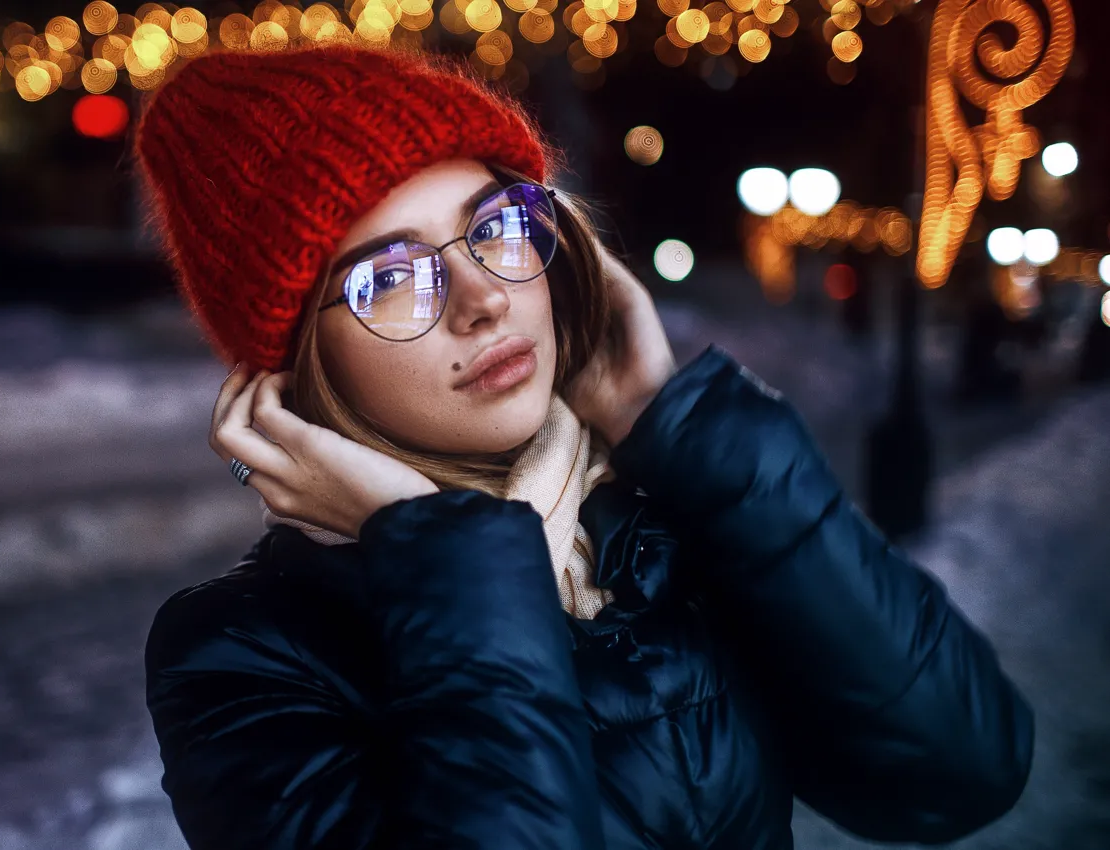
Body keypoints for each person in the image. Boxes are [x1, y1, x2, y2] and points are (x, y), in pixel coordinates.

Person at [133, 44, 1033, 850]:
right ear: (296, 365)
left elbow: (961, 772)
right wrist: (446, 559)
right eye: (392, 278)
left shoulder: (657, 524)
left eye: (495, 227)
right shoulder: (242, 654)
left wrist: (678, 424)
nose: (483, 298)